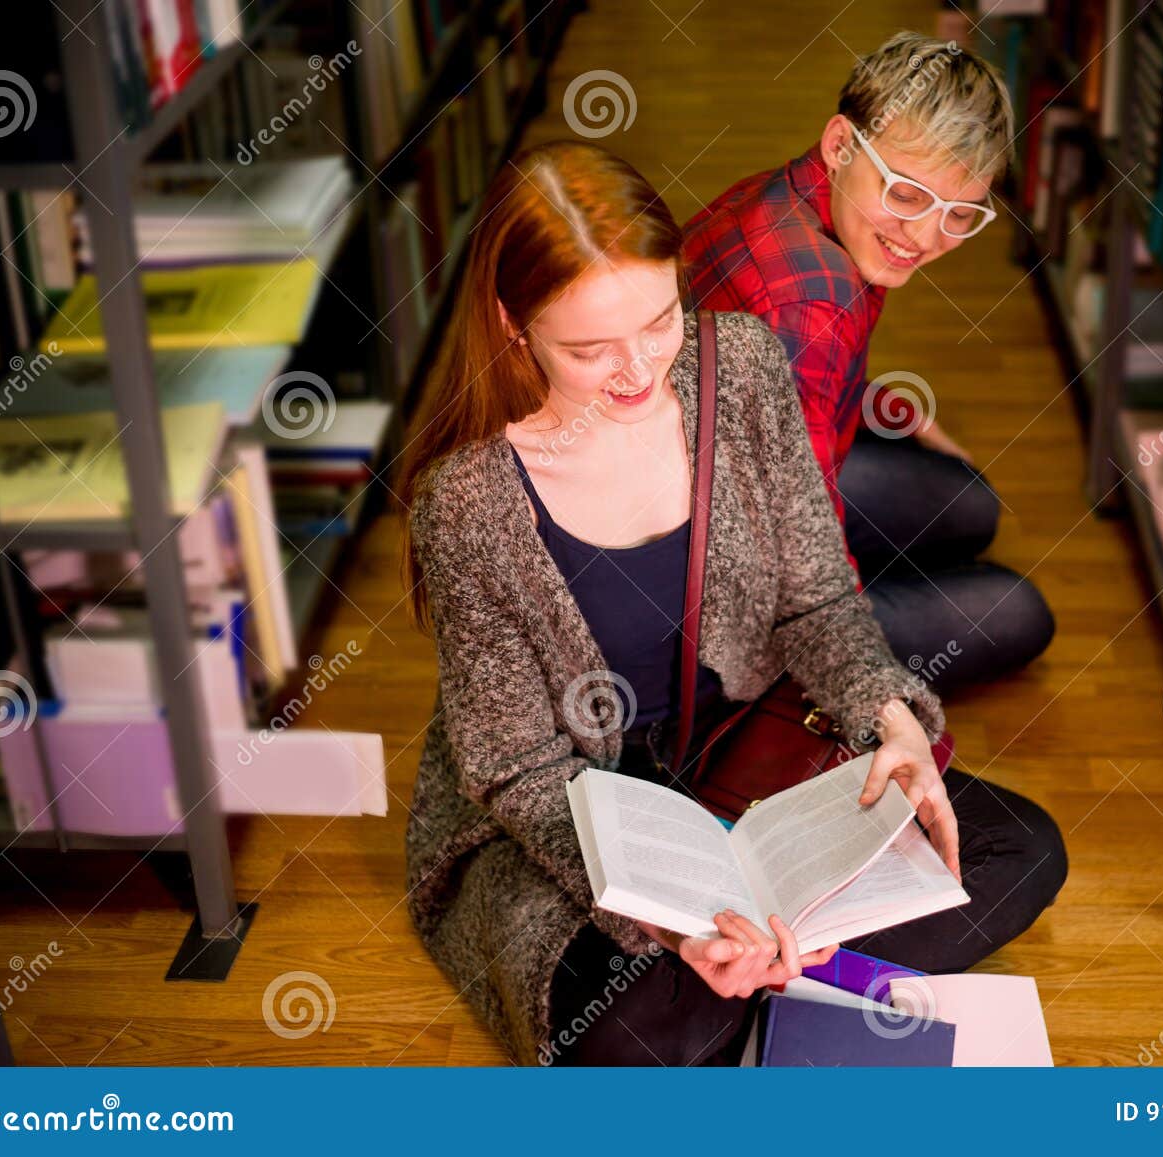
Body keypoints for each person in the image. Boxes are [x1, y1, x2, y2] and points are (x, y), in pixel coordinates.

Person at [399, 140, 1066, 1066]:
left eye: (661, 321)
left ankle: (761, 975)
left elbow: (817, 599)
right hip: (568, 826)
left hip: (732, 756)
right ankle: (779, 974)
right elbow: (516, 769)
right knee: (629, 1032)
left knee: (1017, 848)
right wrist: (669, 924)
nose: (640, 372)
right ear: (517, 327)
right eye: (590, 349)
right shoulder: (467, 504)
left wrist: (889, 718)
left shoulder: (741, 367)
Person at [683, 31, 1054, 696]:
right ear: (840, 144)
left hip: (717, 480)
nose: (926, 237)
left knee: (971, 502)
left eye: (960, 213)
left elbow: (781, 363)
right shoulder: (814, 306)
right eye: (908, 196)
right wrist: (866, 685)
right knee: (1018, 612)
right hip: (718, 584)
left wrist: (881, 402)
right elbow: (802, 547)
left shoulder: (789, 196)